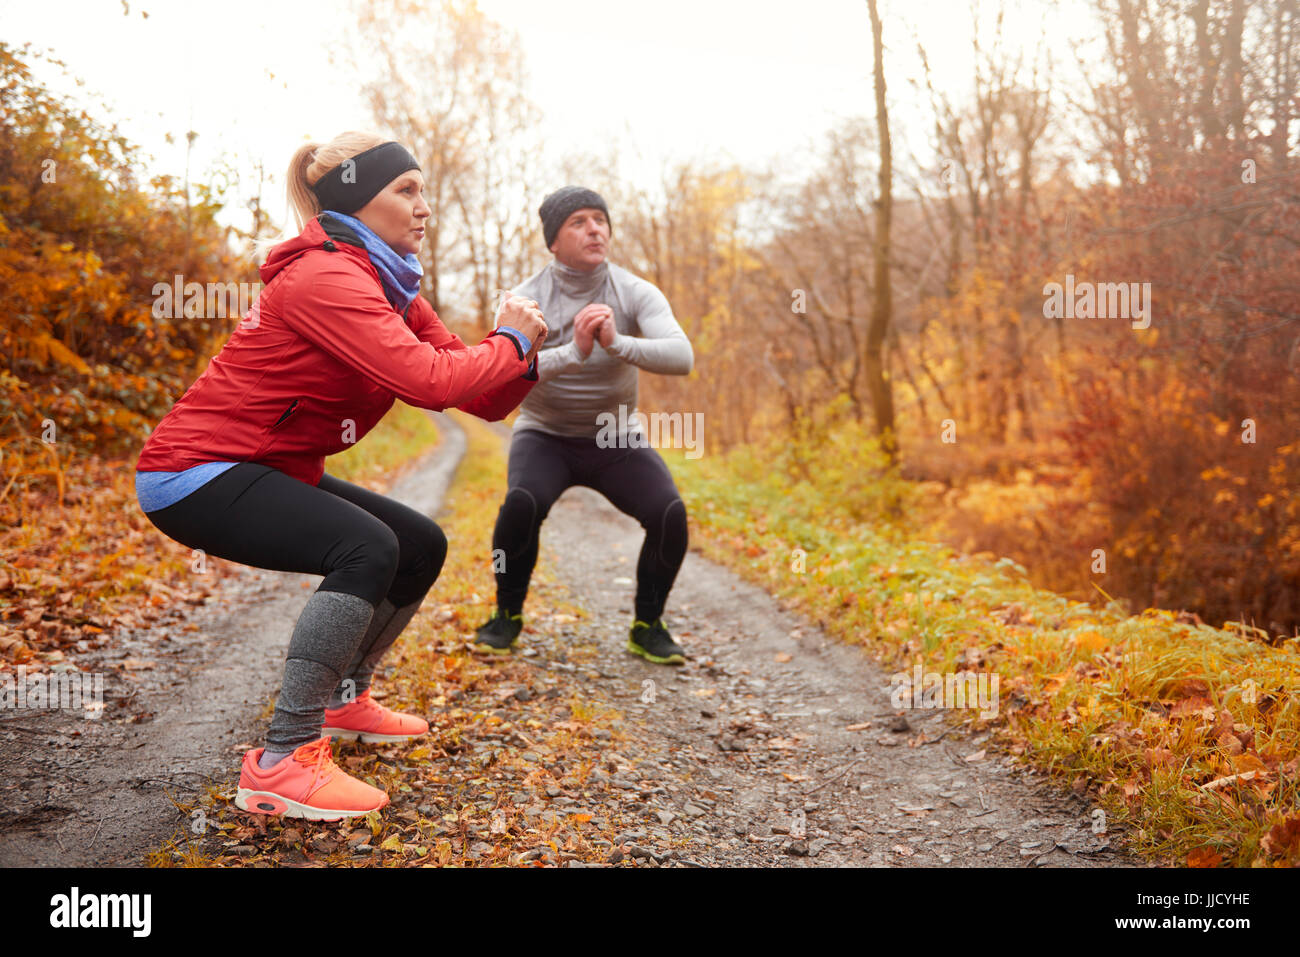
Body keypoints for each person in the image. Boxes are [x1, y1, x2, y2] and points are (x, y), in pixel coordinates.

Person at [134, 132, 548, 821]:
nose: (424, 207)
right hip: (196, 470)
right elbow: (430, 379)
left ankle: (343, 702)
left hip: (267, 466)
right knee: (366, 548)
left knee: (418, 543)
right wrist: (506, 340)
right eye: (407, 191)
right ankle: (280, 761)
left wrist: (525, 351)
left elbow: (481, 398)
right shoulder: (327, 278)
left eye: (424, 191)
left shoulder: (393, 288)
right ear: (362, 201)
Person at [473, 186, 694, 664]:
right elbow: (499, 373)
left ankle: (647, 625)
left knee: (669, 514)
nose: (595, 229)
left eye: (600, 219)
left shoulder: (634, 291)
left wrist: (617, 343)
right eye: (579, 222)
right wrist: (574, 351)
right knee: (521, 505)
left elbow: (682, 357)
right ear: (553, 240)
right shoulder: (525, 300)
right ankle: (505, 615)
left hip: (616, 435)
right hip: (545, 434)